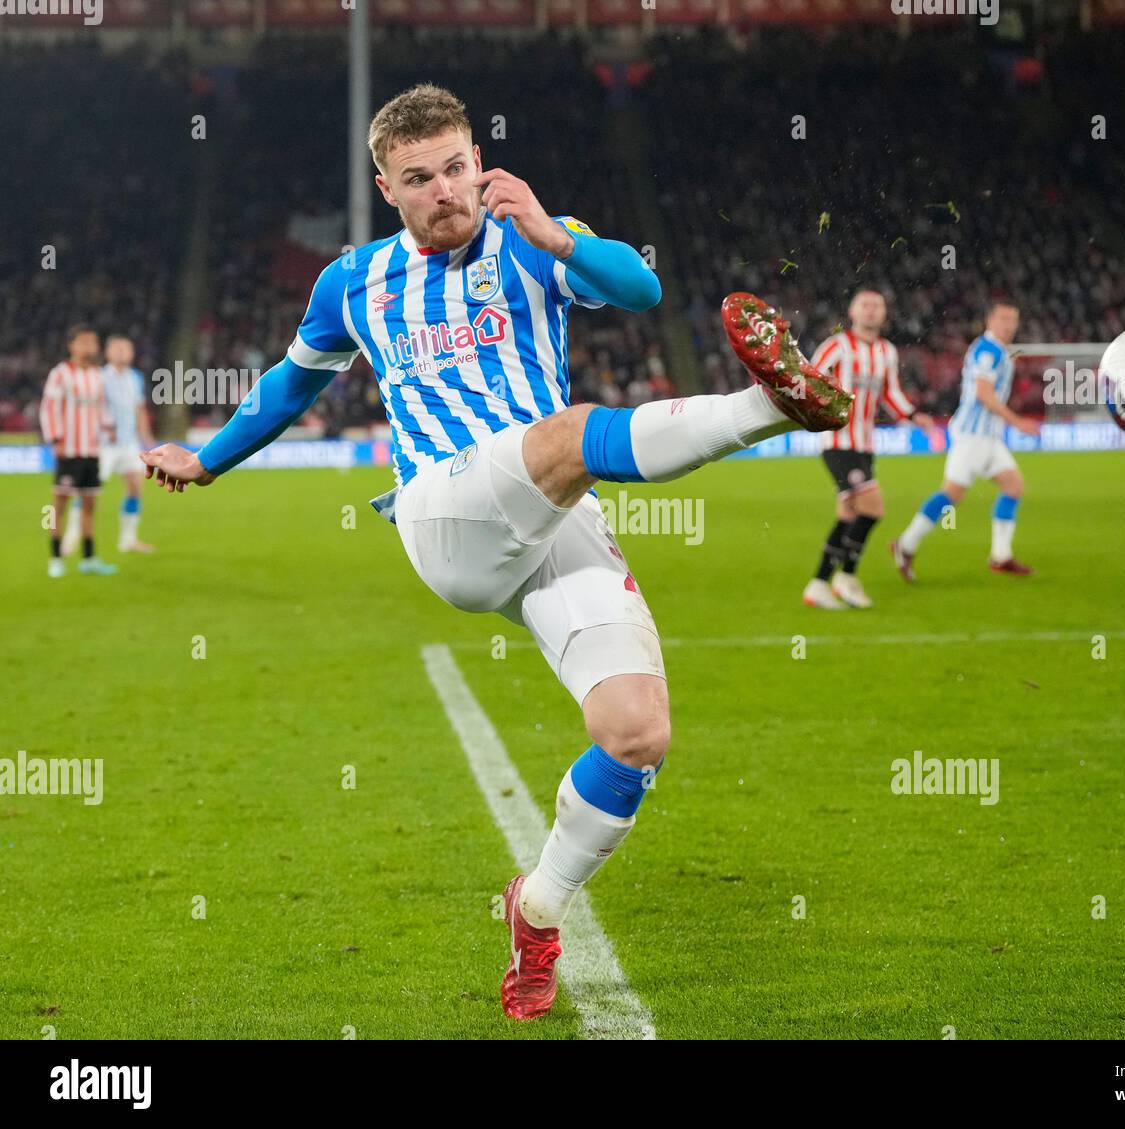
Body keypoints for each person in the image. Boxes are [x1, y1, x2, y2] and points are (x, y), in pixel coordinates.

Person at [138, 84, 849, 1022]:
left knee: (637, 733)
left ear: (479, 159)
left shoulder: (531, 232)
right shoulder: (351, 281)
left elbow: (644, 291)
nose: (446, 191)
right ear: (386, 186)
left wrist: (557, 236)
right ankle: (772, 407)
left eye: (457, 167)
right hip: (446, 512)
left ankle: (538, 910)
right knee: (570, 432)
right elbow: (285, 388)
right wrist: (209, 458)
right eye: (420, 178)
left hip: (553, 515)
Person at [802, 289, 935, 609]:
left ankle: (819, 584)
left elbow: (890, 393)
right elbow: (808, 379)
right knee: (873, 508)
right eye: (865, 305)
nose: (871, 310)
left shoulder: (887, 351)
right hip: (837, 442)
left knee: (849, 514)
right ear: (852, 311)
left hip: (865, 443)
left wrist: (915, 415)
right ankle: (846, 577)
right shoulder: (837, 346)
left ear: (884, 313)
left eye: (877, 306)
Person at [892, 301, 1040, 580]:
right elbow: (984, 393)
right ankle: (905, 544)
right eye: (1003, 318)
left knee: (1013, 485)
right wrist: (1017, 421)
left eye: (1013, 319)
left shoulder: (999, 351)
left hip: (988, 437)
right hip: (973, 435)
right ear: (989, 321)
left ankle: (1001, 556)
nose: (1009, 324)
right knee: (952, 494)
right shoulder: (987, 350)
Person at [40, 324, 117, 577]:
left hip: (91, 450)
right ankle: (54, 556)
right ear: (71, 345)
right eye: (83, 342)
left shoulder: (97, 374)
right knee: (55, 506)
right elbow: (49, 408)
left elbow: (101, 407)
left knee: (89, 505)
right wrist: (55, 438)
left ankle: (88, 558)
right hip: (68, 449)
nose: (88, 347)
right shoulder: (60, 374)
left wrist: (108, 427)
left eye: (92, 342)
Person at [99, 334, 155, 552]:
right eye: (117, 348)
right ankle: (73, 536)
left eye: (126, 348)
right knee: (89, 491)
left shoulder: (136, 378)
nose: (122, 352)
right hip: (103, 444)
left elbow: (139, 409)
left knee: (135, 488)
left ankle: (128, 540)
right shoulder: (99, 377)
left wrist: (147, 437)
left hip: (129, 443)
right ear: (108, 352)